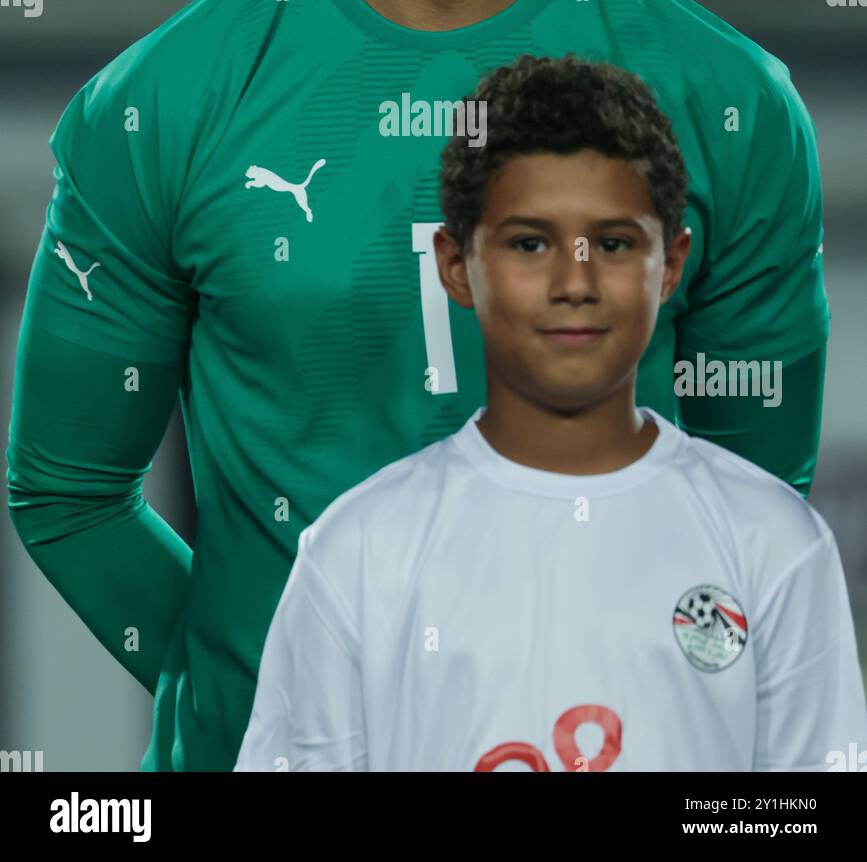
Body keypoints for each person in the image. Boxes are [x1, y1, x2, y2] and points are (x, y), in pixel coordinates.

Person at [7, 0, 830, 773]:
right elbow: (64, 488)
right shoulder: (162, 100)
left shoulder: (729, 104)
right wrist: (273, 683)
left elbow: (751, 503)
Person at [234, 56, 864, 773]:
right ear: (453, 265)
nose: (574, 282)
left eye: (614, 243)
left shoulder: (771, 540)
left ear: (671, 262)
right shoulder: (358, 549)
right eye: (529, 243)